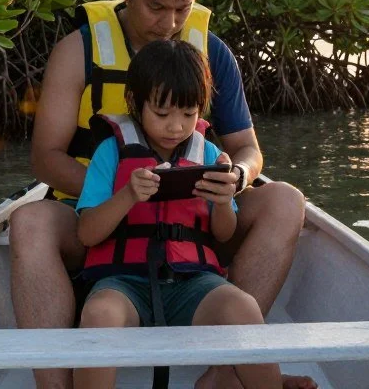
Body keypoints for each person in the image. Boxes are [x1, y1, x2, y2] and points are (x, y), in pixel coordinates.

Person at [9, 0, 313, 389]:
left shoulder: (211, 52)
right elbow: (46, 159)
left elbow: (248, 149)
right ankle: (55, 384)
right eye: (156, 6)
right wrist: (117, 192)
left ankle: (224, 372)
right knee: (28, 221)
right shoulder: (78, 51)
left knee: (286, 200)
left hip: (193, 222)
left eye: (182, 8)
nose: (169, 24)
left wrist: (236, 177)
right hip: (96, 217)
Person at [74, 40, 281, 389]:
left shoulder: (210, 152)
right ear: (137, 105)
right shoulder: (111, 152)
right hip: (125, 282)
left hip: (192, 282)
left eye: (189, 114)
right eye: (163, 113)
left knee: (242, 307)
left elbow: (223, 235)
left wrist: (221, 201)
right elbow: (87, 234)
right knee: (98, 314)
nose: (176, 126)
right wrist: (127, 195)